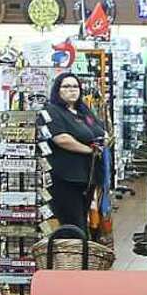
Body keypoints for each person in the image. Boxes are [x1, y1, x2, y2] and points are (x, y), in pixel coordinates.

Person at [41, 69, 106, 231]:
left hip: (87, 177)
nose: (72, 90)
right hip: (65, 178)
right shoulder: (52, 111)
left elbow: (100, 130)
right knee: (73, 222)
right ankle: (74, 254)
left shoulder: (83, 110)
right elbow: (61, 139)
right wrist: (89, 150)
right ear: (57, 90)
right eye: (67, 87)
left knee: (83, 219)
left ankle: (81, 252)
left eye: (75, 86)